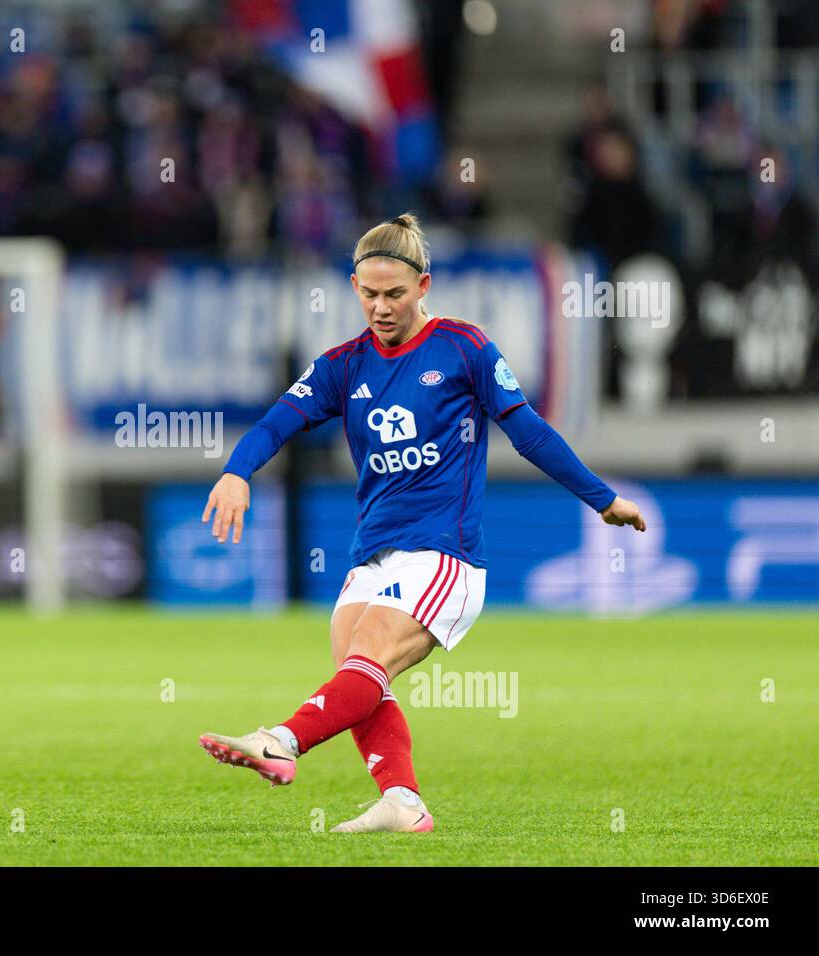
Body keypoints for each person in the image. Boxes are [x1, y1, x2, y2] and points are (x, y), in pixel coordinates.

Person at [198, 214, 646, 833]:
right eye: (368, 293)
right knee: (359, 674)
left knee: (368, 657)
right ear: (354, 286)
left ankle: (280, 743)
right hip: (371, 554)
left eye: (395, 294)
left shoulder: (464, 348)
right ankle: (402, 803)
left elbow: (529, 432)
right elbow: (277, 420)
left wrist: (601, 498)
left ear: (424, 285)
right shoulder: (343, 365)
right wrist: (237, 471)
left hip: (445, 554)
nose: (381, 307)